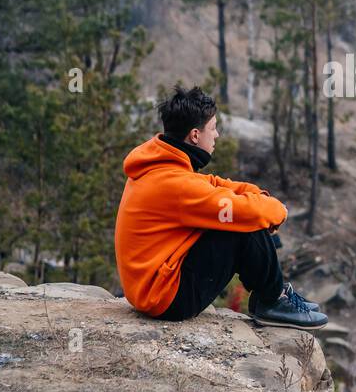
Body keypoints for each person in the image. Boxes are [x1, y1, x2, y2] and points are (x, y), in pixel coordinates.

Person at [114, 84, 327, 328]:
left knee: (242, 216)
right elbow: (243, 211)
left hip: (152, 287)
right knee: (241, 226)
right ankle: (271, 300)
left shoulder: (161, 166)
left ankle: (273, 296)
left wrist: (260, 196)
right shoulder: (174, 184)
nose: (216, 135)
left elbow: (215, 183)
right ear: (195, 135)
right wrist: (277, 210)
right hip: (166, 299)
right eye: (213, 129)